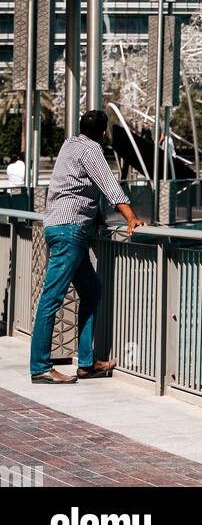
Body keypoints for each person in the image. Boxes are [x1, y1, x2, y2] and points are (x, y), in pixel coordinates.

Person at [29, 109, 146, 384]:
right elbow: (109, 186)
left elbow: (80, 186)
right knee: (51, 298)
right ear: (104, 132)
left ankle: (86, 363)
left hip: (61, 226)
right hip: (70, 231)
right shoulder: (93, 150)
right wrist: (131, 218)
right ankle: (40, 367)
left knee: (92, 290)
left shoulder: (70, 144)